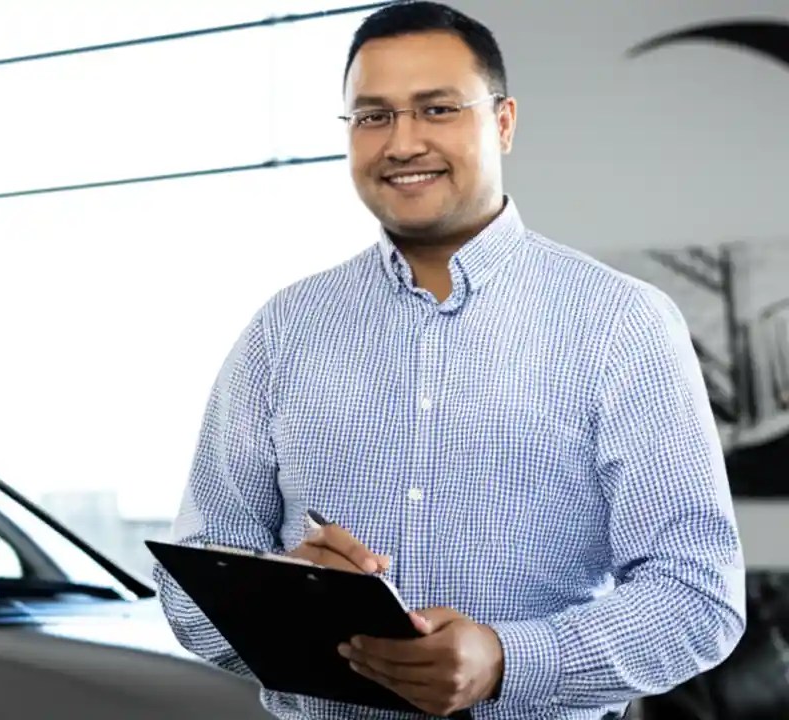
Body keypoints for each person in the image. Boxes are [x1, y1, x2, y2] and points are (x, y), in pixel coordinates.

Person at [152, 2, 747, 719]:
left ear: (502, 121)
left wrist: (508, 658)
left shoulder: (620, 324)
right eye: (373, 116)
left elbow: (697, 596)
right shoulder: (284, 330)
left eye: (436, 109)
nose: (402, 142)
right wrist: (276, 593)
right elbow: (189, 584)